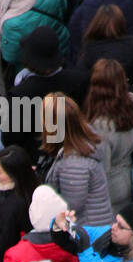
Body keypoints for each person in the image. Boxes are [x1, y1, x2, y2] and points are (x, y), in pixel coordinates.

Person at [38, 95, 112, 229]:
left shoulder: (74, 164)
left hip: (86, 233)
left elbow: (71, 206)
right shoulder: (87, 143)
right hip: (95, 227)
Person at [83, 60, 133, 215]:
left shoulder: (99, 126)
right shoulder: (132, 103)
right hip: (129, 178)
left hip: (110, 189)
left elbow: (100, 169)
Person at [78, 4, 133, 89]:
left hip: (96, 97)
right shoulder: (132, 45)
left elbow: (81, 78)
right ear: (121, 22)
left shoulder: (88, 49)